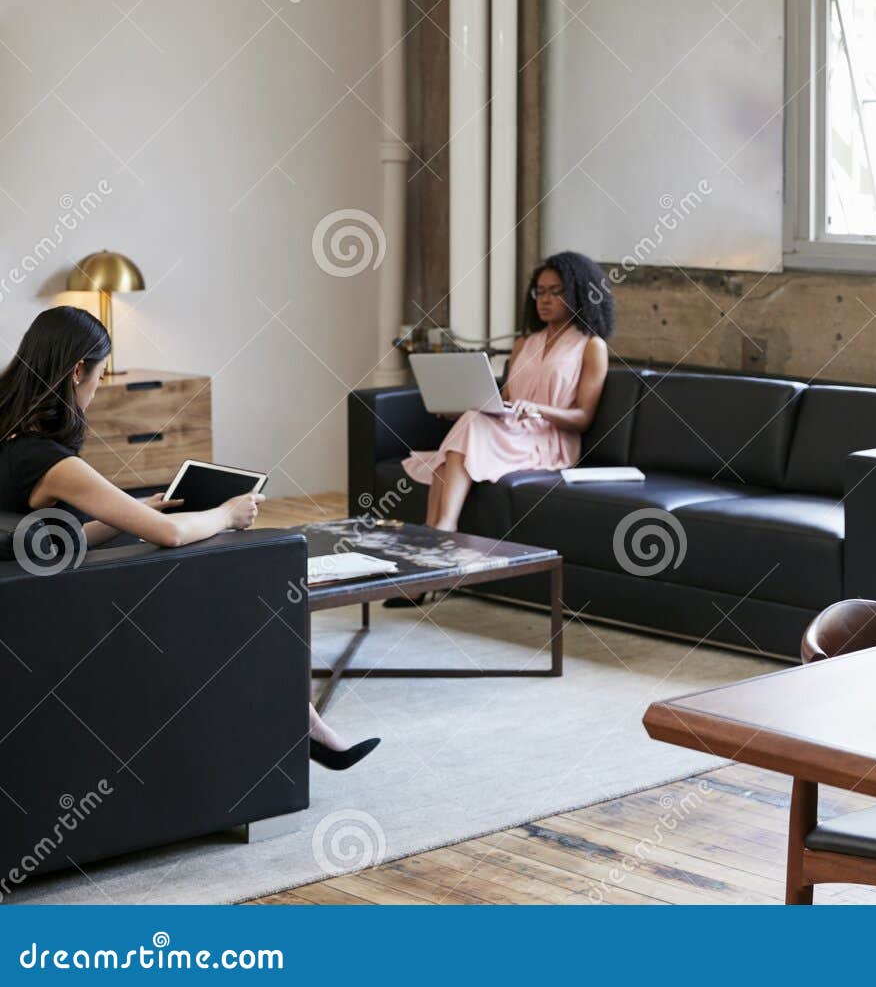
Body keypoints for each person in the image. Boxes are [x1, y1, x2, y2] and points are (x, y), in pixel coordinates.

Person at [0, 305, 378, 771]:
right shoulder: (51, 462)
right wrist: (226, 513)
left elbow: (44, 542)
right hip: (59, 616)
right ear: (78, 370)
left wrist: (131, 515)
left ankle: (306, 725)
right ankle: (306, 728)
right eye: (98, 374)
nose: (97, 389)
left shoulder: (11, 438)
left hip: (26, 599)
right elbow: (171, 534)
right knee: (239, 588)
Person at [401, 251, 615, 532]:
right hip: (513, 432)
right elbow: (502, 404)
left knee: (456, 446)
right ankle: (437, 526)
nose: (544, 300)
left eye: (554, 292)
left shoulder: (590, 346)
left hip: (550, 440)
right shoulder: (524, 344)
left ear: (576, 294)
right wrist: (463, 410)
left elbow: (583, 417)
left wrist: (539, 409)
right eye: (539, 292)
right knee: (469, 423)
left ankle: (442, 526)